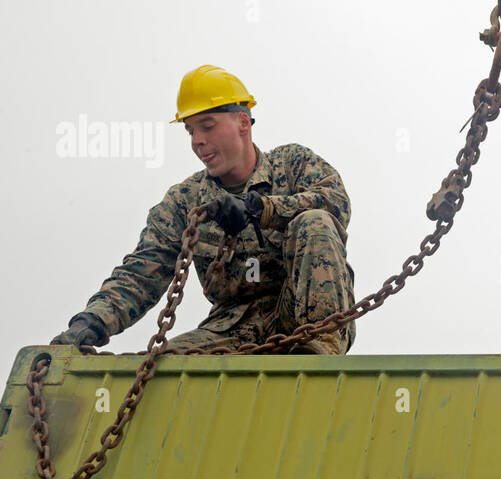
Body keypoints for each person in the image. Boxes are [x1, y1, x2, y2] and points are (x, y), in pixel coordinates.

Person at [50, 65, 356, 355]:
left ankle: (320, 347)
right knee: (160, 368)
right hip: (233, 328)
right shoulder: (186, 200)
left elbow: (334, 202)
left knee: (314, 221)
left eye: (207, 127)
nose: (198, 141)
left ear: (243, 123)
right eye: (190, 131)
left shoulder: (293, 164)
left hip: (302, 317)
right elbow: (142, 271)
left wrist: (260, 208)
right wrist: (91, 322)